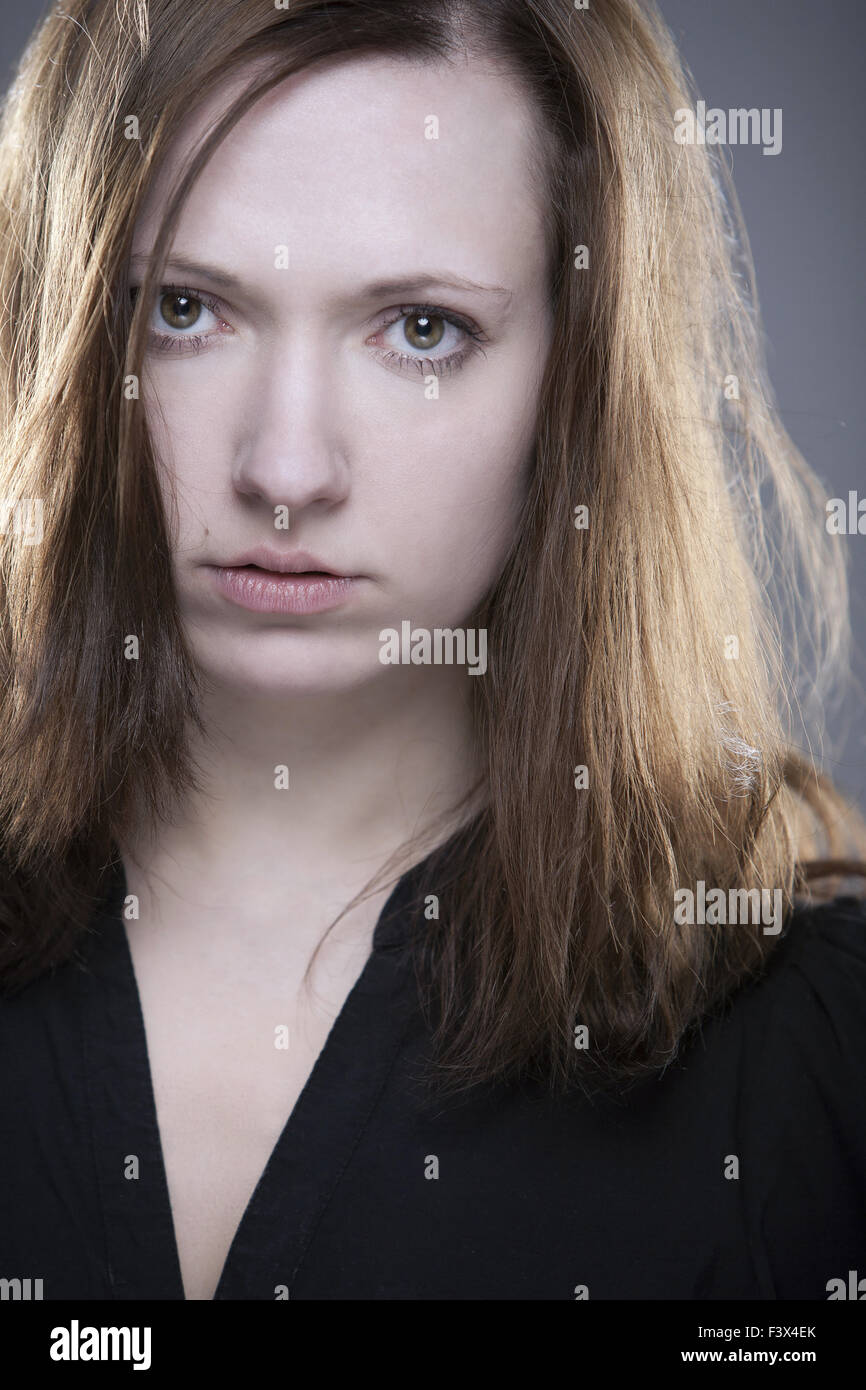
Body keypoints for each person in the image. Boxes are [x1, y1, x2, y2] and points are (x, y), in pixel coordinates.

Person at [0, 0, 864, 1302]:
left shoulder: (807, 1041)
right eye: (185, 309)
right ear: (56, 331)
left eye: (419, 330)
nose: (285, 468)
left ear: (571, 385)